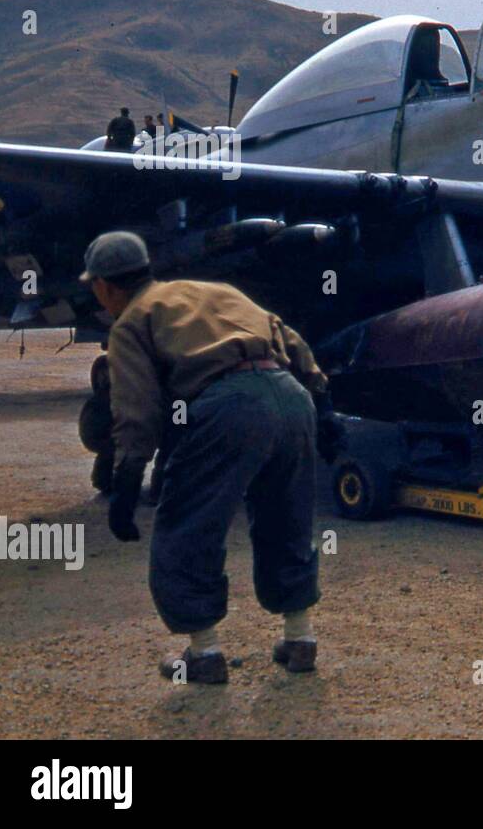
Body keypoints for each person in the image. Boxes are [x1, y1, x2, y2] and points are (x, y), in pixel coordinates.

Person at [84, 231, 338, 682]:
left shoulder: (131, 321)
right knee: (288, 517)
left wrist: (127, 481)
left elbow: (137, 409)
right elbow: (289, 337)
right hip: (291, 396)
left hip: (229, 406)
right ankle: (301, 639)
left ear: (104, 287)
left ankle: (203, 653)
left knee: (188, 522)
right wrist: (324, 406)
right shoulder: (217, 291)